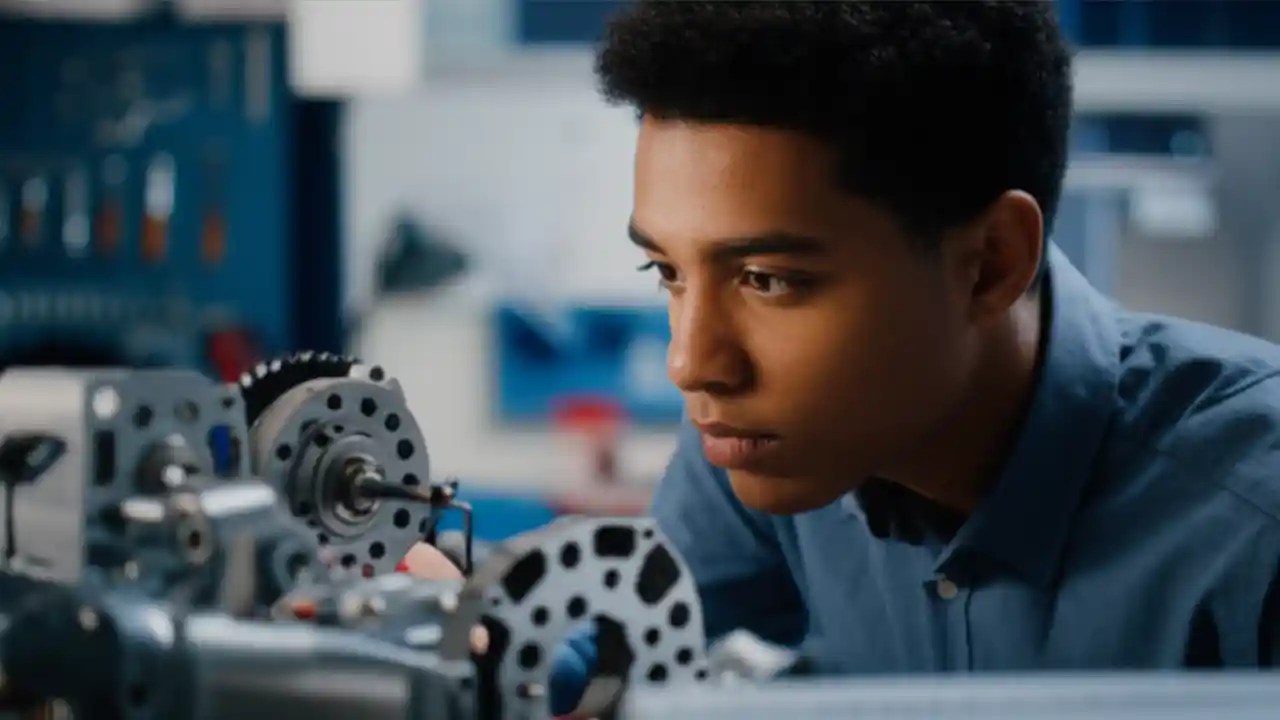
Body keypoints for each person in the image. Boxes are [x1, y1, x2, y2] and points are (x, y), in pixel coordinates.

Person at [405, 0, 1280, 711]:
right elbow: (631, 662)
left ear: (992, 264)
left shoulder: (1252, 531)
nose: (693, 363)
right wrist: (470, 645)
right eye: (667, 271)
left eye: (768, 280)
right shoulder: (763, 451)